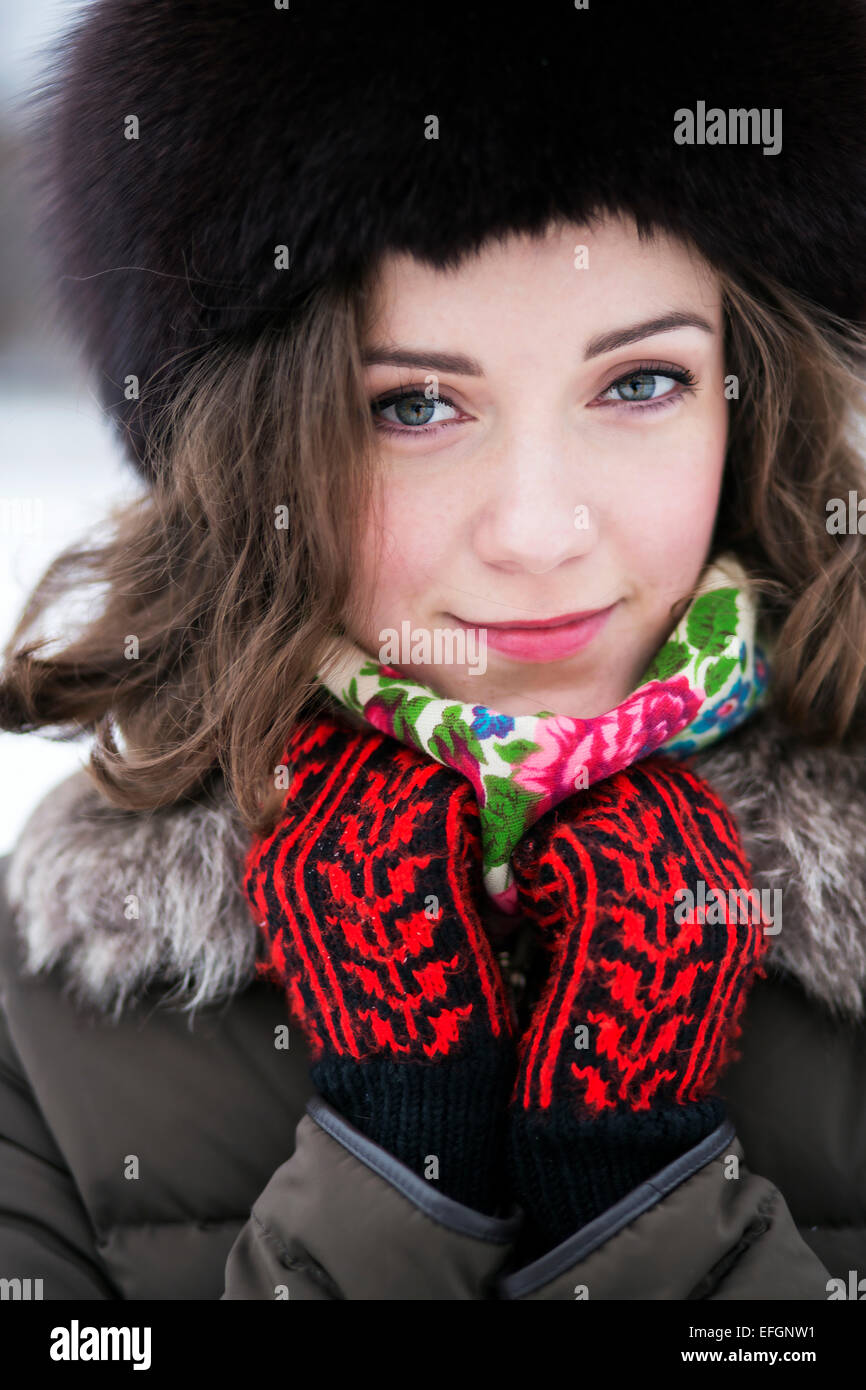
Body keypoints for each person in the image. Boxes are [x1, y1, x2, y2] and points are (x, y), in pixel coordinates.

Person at [0, 0, 865, 1301]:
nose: (537, 532)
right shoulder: (56, 992)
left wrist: (634, 1186)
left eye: (637, 382)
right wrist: (394, 1160)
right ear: (256, 451)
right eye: (412, 404)